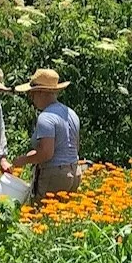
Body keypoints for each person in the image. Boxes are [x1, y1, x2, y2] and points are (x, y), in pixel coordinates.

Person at [10, 68, 82, 201]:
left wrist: (24, 161)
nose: (31, 99)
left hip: (54, 176)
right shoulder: (71, 113)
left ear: (42, 93)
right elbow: (69, 147)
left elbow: (46, 153)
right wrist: (24, 157)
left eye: (32, 94)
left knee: (41, 216)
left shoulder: (46, 117)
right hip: (74, 171)